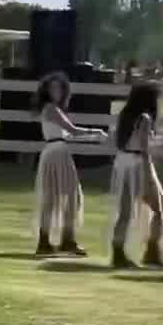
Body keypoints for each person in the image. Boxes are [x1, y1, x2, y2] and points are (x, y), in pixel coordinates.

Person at [34, 73, 106, 257]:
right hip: (57, 152)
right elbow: (72, 130)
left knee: (63, 198)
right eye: (53, 88)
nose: (56, 92)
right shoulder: (51, 109)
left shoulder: (53, 109)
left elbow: (69, 132)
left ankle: (58, 240)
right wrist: (95, 132)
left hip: (57, 151)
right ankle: (61, 240)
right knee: (66, 198)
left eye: (59, 88)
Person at [110, 83, 163, 270]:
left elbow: (127, 141)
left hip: (123, 162)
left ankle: (118, 252)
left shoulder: (126, 115)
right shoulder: (144, 118)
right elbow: (144, 147)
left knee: (125, 212)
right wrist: (148, 173)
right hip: (138, 163)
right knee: (159, 209)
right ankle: (152, 251)